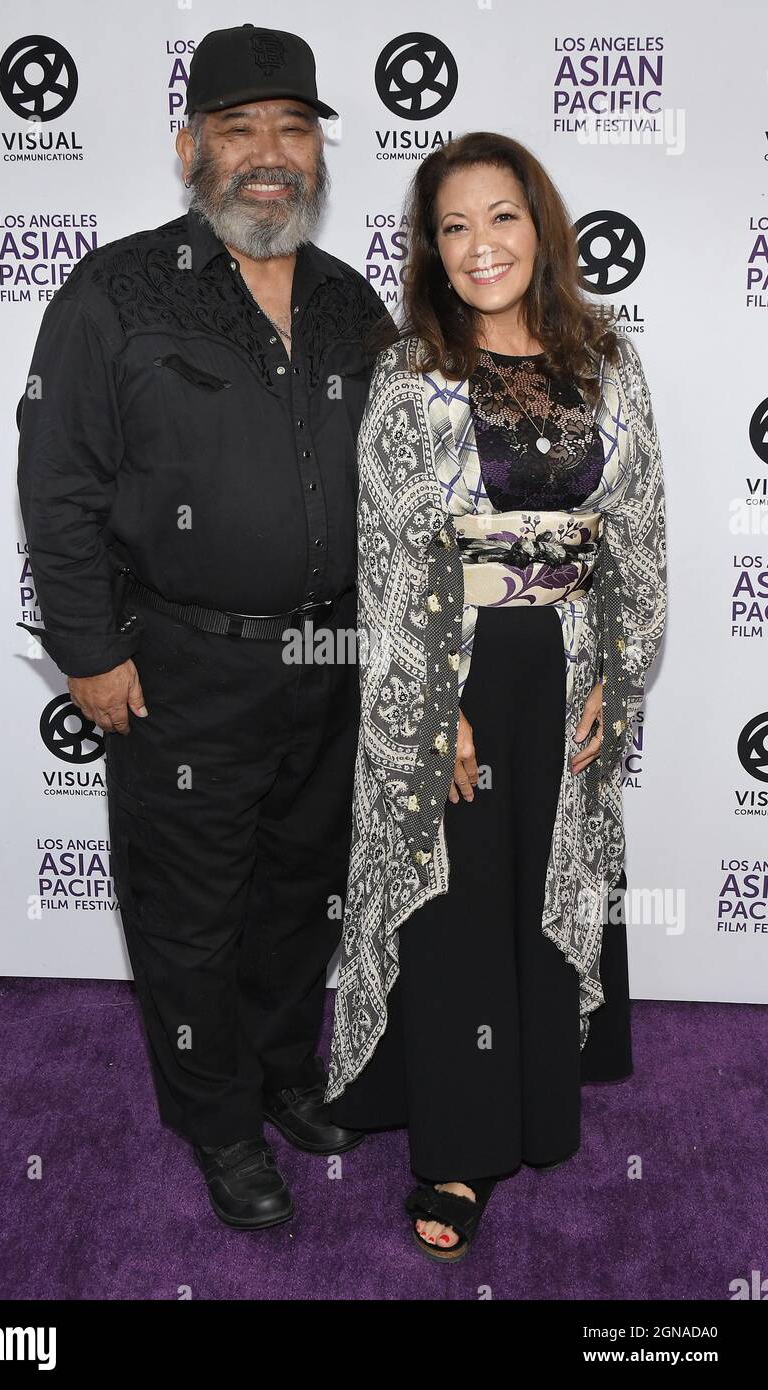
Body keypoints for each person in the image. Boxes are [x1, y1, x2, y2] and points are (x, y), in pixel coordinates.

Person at [16, 24, 388, 1231]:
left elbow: (395, 478)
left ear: (317, 154)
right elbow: (59, 480)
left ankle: (283, 1070)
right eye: (240, 130)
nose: (269, 155)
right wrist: (88, 649)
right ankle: (219, 1123)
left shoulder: (348, 300)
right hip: (179, 662)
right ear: (193, 148)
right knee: (188, 909)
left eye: (292, 130)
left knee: (300, 888)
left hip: (330, 655)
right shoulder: (114, 291)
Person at [325, 131, 667, 1262]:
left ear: (540, 223)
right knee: (461, 903)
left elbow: (638, 533)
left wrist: (616, 671)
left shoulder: (606, 362)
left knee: (541, 879)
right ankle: (459, 1152)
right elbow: (386, 548)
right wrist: (435, 709)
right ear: (429, 245)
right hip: (450, 663)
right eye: (453, 225)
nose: (480, 246)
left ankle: (533, 1098)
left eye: (501, 217)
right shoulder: (408, 373)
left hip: (565, 661)